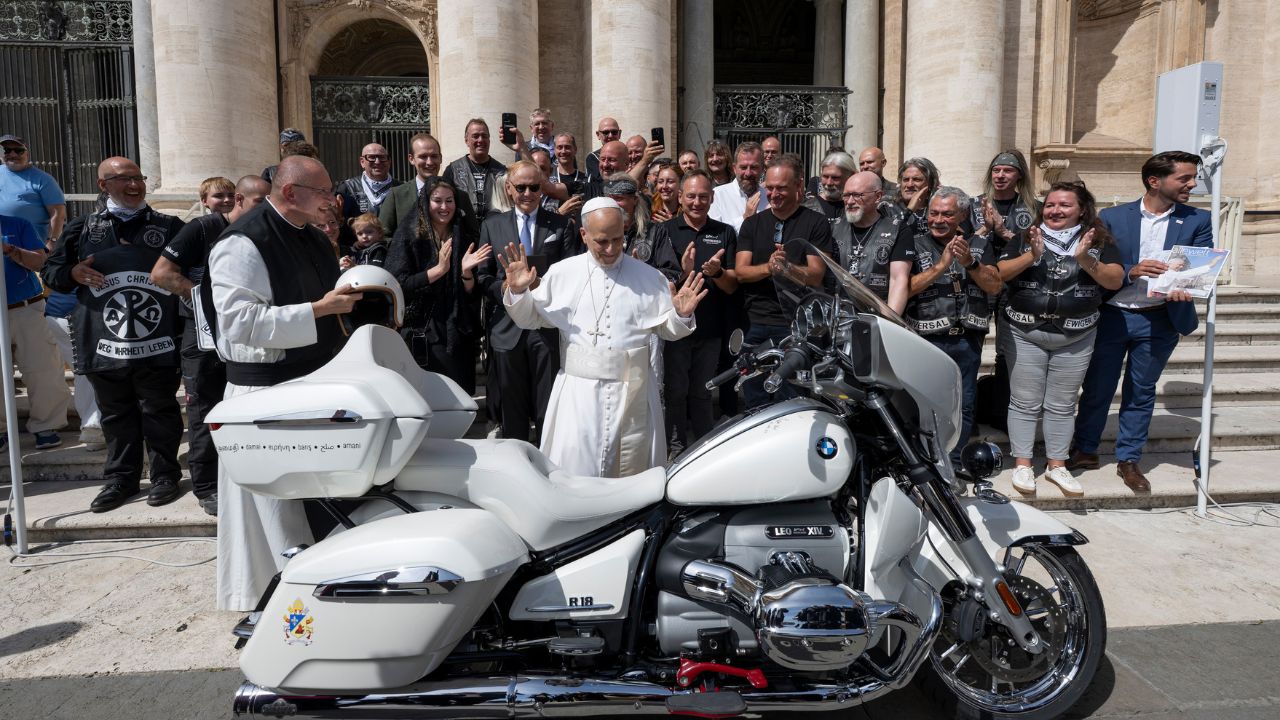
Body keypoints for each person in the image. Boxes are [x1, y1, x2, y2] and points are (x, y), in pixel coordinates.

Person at [206, 154, 362, 612]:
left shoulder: (312, 237)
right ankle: (278, 600)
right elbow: (237, 323)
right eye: (322, 192)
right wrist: (319, 310)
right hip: (265, 395)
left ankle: (322, 588)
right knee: (275, 509)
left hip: (310, 384)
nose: (332, 201)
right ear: (291, 193)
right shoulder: (243, 243)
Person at [501, 197, 706, 477]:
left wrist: (680, 316)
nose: (611, 249)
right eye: (601, 241)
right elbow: (529, 319)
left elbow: (667, 330)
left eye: (617, 239)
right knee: (577, 472)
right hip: (579, 396)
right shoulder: (563, 273)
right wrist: (518, 292)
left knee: (633, 483)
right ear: (584, 235)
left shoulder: (649, 276)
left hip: (634, 394)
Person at [41, 157, 186, 513]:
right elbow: (52, 272)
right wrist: (72, 272)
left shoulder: (171, 226)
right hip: (105, 340)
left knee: (160, 409)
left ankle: (166, 475)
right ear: (103, 185)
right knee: (115, 413)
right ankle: (121, 479)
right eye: (124, 179)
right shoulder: (81, 228)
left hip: (158, 340)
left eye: (138, 178)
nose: (134, 185)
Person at [1069, 151, 1214, 491]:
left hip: (1161, 319)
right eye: (1184, 178)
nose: (1192, 184)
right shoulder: (1114, 217)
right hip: (1113, 315)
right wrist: (1132, 270)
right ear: (1154, 181)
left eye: (1193, 178)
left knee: (1142, 390)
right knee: (1097, 387)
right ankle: (1086, 449)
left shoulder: (1196, 220)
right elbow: (1097, 260)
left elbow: (1199, 267)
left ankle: (1129, 460)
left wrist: (1186, 287)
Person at [151, 174, 270, 515]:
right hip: (201, 335)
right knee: (204, 408)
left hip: (244, 334)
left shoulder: (259, 232)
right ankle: (206, 485)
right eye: (260, 202)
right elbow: (160, 273)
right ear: (240, 202)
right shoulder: (202, 229)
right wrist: (203, 298)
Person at [996, 181, 1123, 497]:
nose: (1055, 211)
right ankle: (1023, 463)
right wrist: (1031, 255)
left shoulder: (1098, 240)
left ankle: (1057, 466)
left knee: (1062, 404)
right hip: (1026, 333)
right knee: (1024, 401)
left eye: (1064, 205)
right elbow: (1000, 273)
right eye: (1050, 205)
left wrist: (1086, 261)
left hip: (1076, 334)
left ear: (1081, 209)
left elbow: (1115, 279)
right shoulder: (1028, 236)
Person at [474, 161, 575, 443]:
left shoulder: (560, 224)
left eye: (534, 187)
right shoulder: (492, 226)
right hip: (507, 329)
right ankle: (517, 469)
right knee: (512, 411)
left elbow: (570, 275)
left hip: (546, 327)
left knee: (548, 407)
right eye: (521, 187)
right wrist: (506, 287)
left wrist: (539, 286)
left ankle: (548, 468)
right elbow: (483, 277)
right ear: (509, 189)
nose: (528, 193)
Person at [904, 187, 1003, 462]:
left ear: (962, 215)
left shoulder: (980, 245)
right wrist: (940, 267)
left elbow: (994, 285)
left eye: (947, 214)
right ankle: (923, 460)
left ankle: (955, 463)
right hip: (924, 338)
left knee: (963, 404)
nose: (938, 219)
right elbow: (904, 288)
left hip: (965, 339)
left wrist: (970, 263)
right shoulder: (913, 242)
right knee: (922, 403)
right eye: (933, 213)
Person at [734, 155, 833, 408]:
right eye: (769, 187)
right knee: (754, 397)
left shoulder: (816, 223)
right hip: (755, 322)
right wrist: (769, 267)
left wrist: (787, 268)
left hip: (795, 326)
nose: (774, 193)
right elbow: (741, 272)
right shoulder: (752, 224)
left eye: (781, 188)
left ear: (798, 186)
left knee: (791, 399)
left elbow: (816, 274)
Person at [655, 170, 737, 454]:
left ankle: (704, 447)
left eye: (703, 196)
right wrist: (683, 272)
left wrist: (718, 272)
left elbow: (732, 286)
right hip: (676, 328)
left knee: (702, 393)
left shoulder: (724, 232)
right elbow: (658, 283)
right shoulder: (664, 231)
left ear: (712, 198)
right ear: (680, 197)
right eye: (691, 196)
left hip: (711, 328)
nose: (697, 202)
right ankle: (675, 449)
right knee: (675, 392)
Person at [385, 177, 490, 393]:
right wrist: (438, 271)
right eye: (437, 201)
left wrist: (466, 273)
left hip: (457, 330)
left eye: (449, 200)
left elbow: (472, 294)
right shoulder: (408, 235)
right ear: (425, 202)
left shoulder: (465, 236)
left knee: (457, 398)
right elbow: (397, 284)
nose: (444, 207)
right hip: (422, 329)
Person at [971, 150, 1039, 432]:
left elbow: (1035, 248)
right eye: (996, 170)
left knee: (1006, 351)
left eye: (1007, 171)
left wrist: (1002, 232)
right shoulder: (974, 205)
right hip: (980, 283)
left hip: (1016, 286)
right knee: (972, 347)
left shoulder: (1034, 207)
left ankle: (1002, 411)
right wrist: (986, 230)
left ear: (1019, 175)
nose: (1000, 175)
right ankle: (969, 412)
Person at [0, 213, 70, 451]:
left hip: (25, 307)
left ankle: (46, 425)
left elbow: (41, 262)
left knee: (42, 369)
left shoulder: (18, 224)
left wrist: (10, 250)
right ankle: (1, 430)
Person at [833, 172, 912, 314]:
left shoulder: (897, 229)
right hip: (837, 315)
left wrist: (890, 322)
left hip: (876, 315)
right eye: (846, 195)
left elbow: (898, 280)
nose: (850, 201)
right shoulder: (834, 227)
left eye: (857, 195)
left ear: (878, 196)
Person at [606, 174, 680, 281]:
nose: (613, 204)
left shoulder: (655, 231)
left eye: (619, 198)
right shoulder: (598, 233)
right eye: (609, 199)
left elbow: (672, 274)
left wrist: (641, 270)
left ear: (635, 199)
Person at [442, 118, 507, 232]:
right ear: (466, 140)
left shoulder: (501, 170)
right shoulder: (453, 169)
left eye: (484, 136)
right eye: (475, 136)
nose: (480, 140)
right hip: (463, 234)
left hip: (495, 233)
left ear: (489, 140)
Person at [379, 132, 443, 237]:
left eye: (434, 156)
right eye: (423, 156)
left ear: (440, 158)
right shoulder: (396, 196)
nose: (430, 162)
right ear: (411, 159)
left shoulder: (458, 194)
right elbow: (381, 236)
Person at [709, 141, 768, 233]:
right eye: (743, 167)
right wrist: (745, 218)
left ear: (762, 169)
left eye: (753, 167)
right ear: (734, 168)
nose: (748, 173)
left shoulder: (769, 197)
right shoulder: (717, 195)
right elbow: (714, 236)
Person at [337, 143, 399, 219]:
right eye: (372, 157)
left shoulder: (402, 188)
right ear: (362, 161)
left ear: (389, 161)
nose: (377, 162)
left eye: (382, 157)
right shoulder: (348, 188)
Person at [803, 150, 857, 226]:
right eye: (825, 176)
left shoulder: (858, 207)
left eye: (835, 178)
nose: (829, 183)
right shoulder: (807, 208)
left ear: (851, 176)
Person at [892, 157, 941, 232]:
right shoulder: (888, 207)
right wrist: (909, 211)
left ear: (930, 183)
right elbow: (889, 234)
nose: (909, 185)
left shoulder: (941, 207)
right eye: (905, 180)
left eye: (917, 179)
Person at [585, 117, 621, 181]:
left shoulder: (629, 155)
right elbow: (601, 182)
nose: (610, 136)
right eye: (606, 132)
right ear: (598, 135)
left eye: (614, 132)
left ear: (619, 133)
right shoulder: (593, 158)